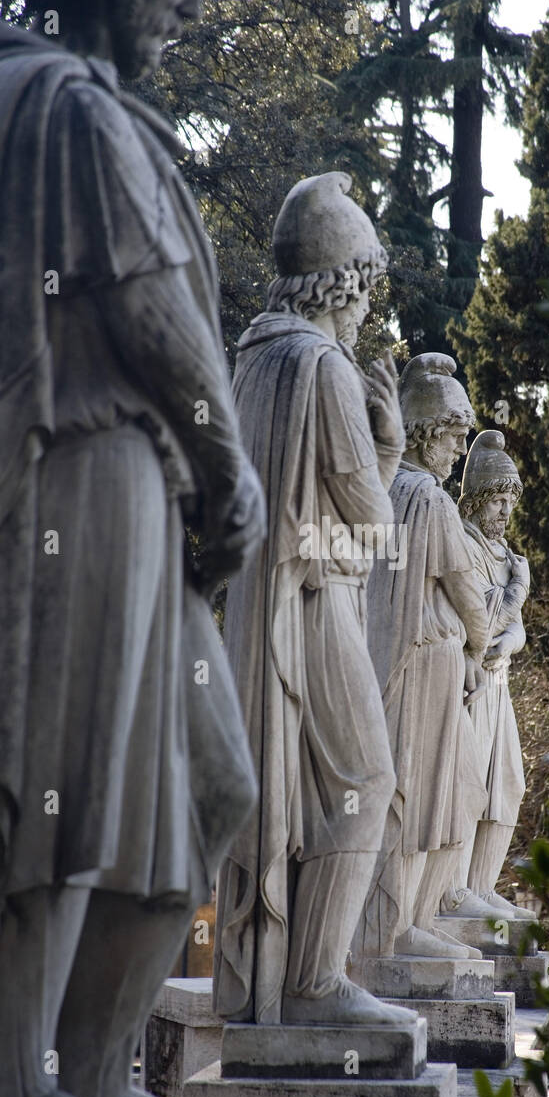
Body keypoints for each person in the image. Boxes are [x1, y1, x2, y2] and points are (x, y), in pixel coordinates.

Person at [0, 0, 264, 1097]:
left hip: (143, 493)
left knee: (206, 781)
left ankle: (94, 1080)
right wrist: (227, 462)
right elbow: (144, 303)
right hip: (87, 475)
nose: (184, 7)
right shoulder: (59, 102)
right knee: (65, 783)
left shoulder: (67, 100)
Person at [214, 172, 417, 1029]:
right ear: (345, 282)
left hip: (260, 611)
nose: (370, 308)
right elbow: (373, 524)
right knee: (363, 782)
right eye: (368, 287)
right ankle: (314, 983)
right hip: (314, 602)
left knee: (307, 794)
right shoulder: (324, 368)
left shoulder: (254, 354)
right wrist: (393, 440)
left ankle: (289, 981)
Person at [358, 353, 490, 960]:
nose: (460, 451)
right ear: (432, 432)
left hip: (388, 663)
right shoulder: (430, 501)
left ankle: (407, 920)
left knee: (428, 792)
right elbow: (467, 592)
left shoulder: (382, 487)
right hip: (426, 666)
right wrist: (482, 644)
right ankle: (396, 930)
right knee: (431, 793)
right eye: (458, 436)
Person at [441, 430, 534, 922]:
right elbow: (481, 619)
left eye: (509, 501)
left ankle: (481, 886)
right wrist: (516, 592)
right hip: (468, 685)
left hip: (499, 682)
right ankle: (452, 893)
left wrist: (513, 637)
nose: (504, 511)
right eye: (496, 500)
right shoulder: (465, 546)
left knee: (509, 785)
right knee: (469, 784)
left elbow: (512, 630)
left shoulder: (504, 555)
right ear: (475, 500)